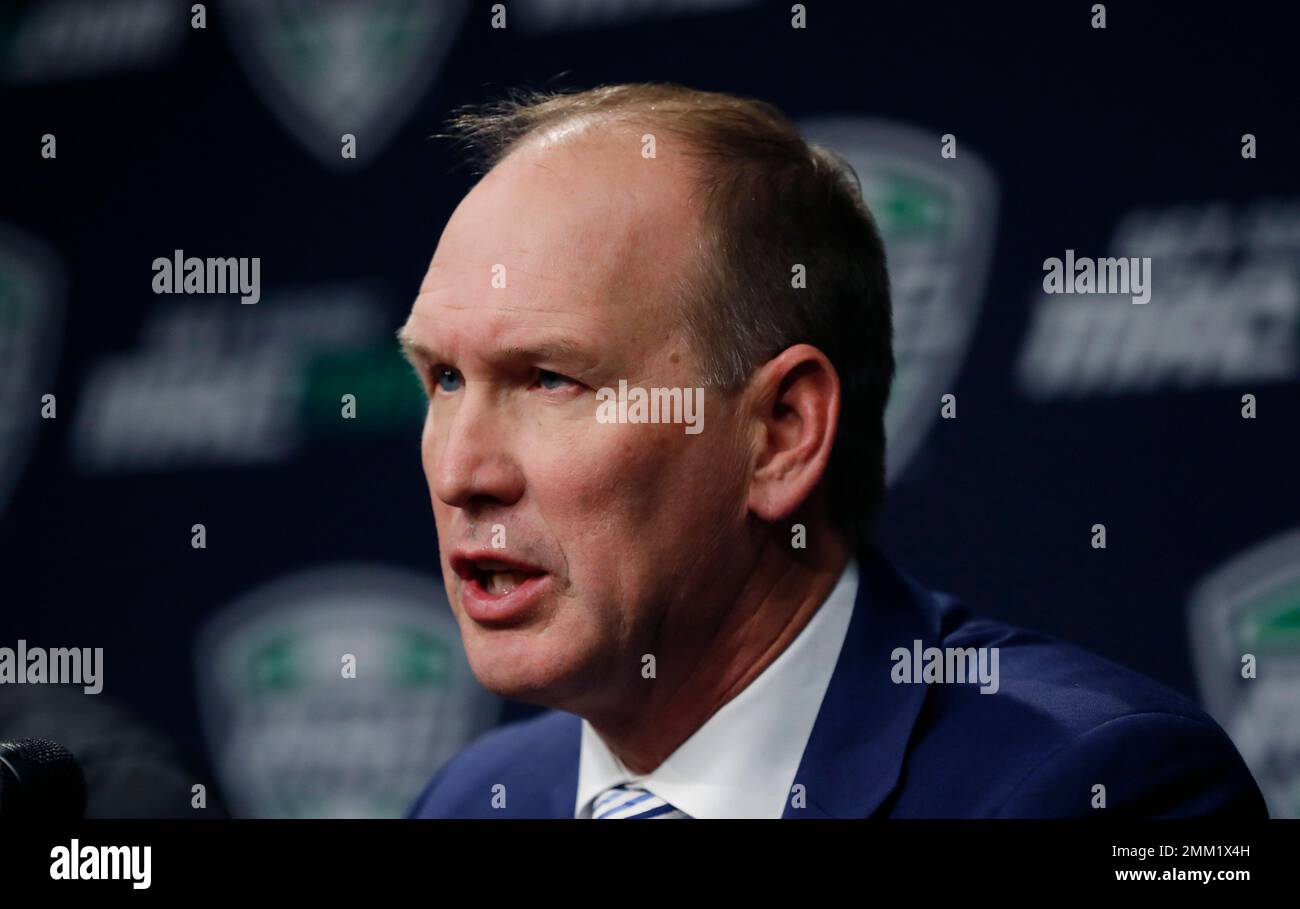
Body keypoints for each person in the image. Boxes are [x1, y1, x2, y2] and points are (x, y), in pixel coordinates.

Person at [398, 83, 1265, 818]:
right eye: (442, 378)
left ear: (780, 432)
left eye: (549, 379)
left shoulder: (1105, 786)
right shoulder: (473, 798)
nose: (460, 471)